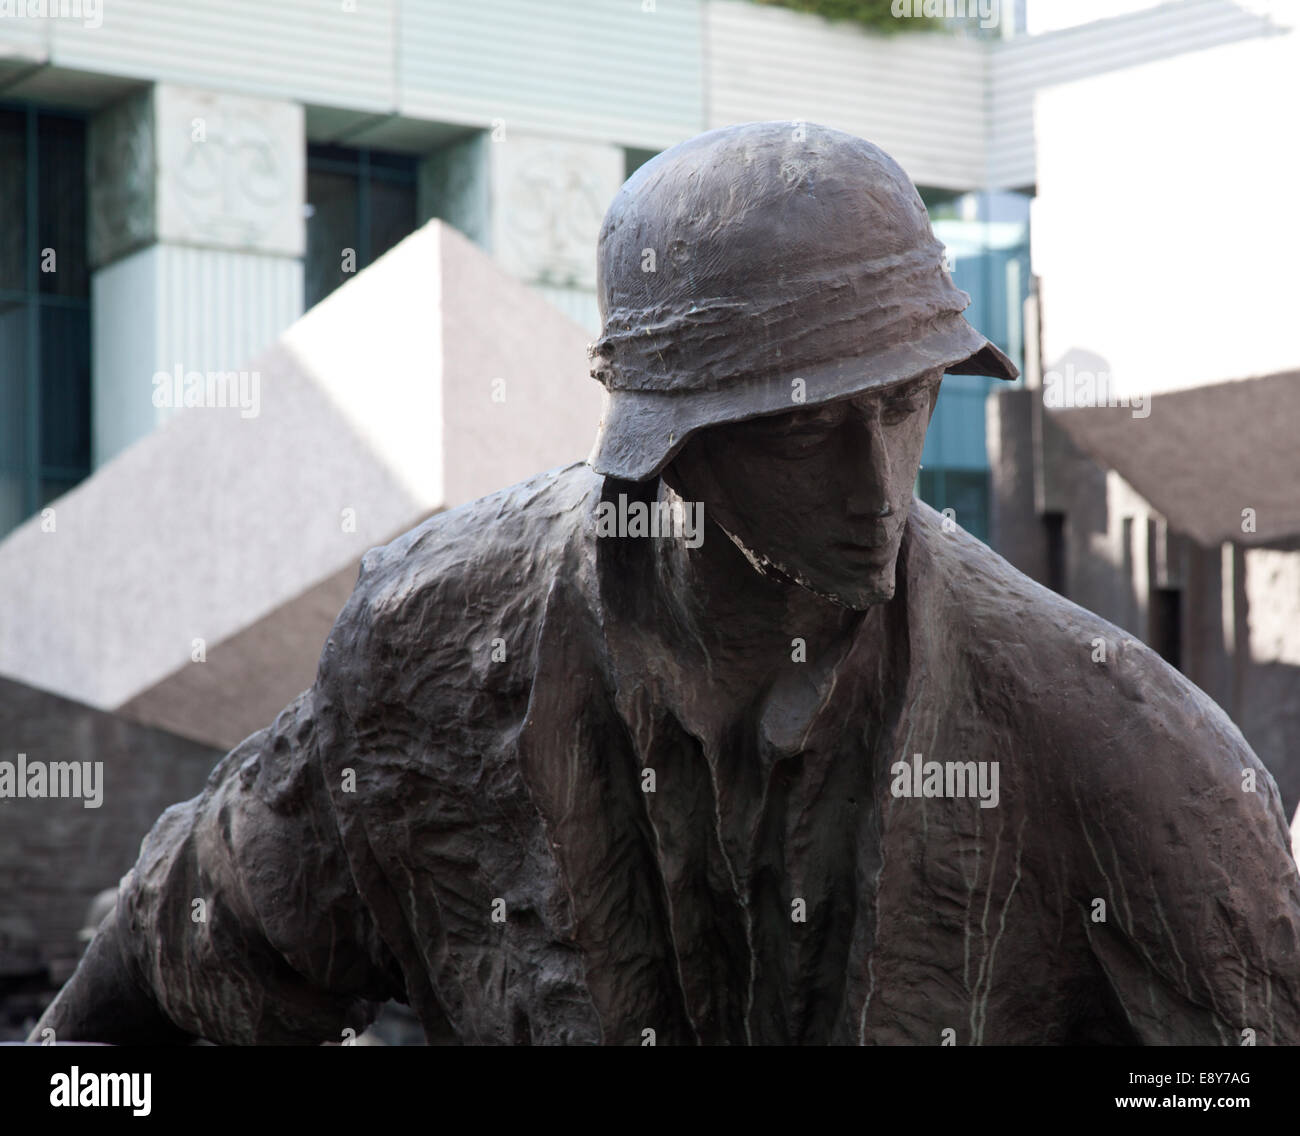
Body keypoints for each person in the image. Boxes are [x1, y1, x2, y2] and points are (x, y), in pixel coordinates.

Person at [33, 122, 1300, 1046]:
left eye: (906, 404)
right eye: (805, 432)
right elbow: (203, 926)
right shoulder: (428, 642)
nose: (878, 487)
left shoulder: (1125, 755)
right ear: (671, 443)